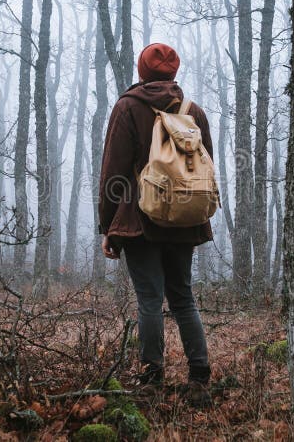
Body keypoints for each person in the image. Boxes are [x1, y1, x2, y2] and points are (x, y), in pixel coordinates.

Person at [98, 42, 213, 407]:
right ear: (173, 72)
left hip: (140, 219)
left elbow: (113, 172)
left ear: (142, 71)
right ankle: (199, 378)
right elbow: (205, 165)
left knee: (149, 299)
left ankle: (151, 380)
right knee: (183, 297)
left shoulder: (128, 107)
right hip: (184, 219)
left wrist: (109, 226)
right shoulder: (192, 111)